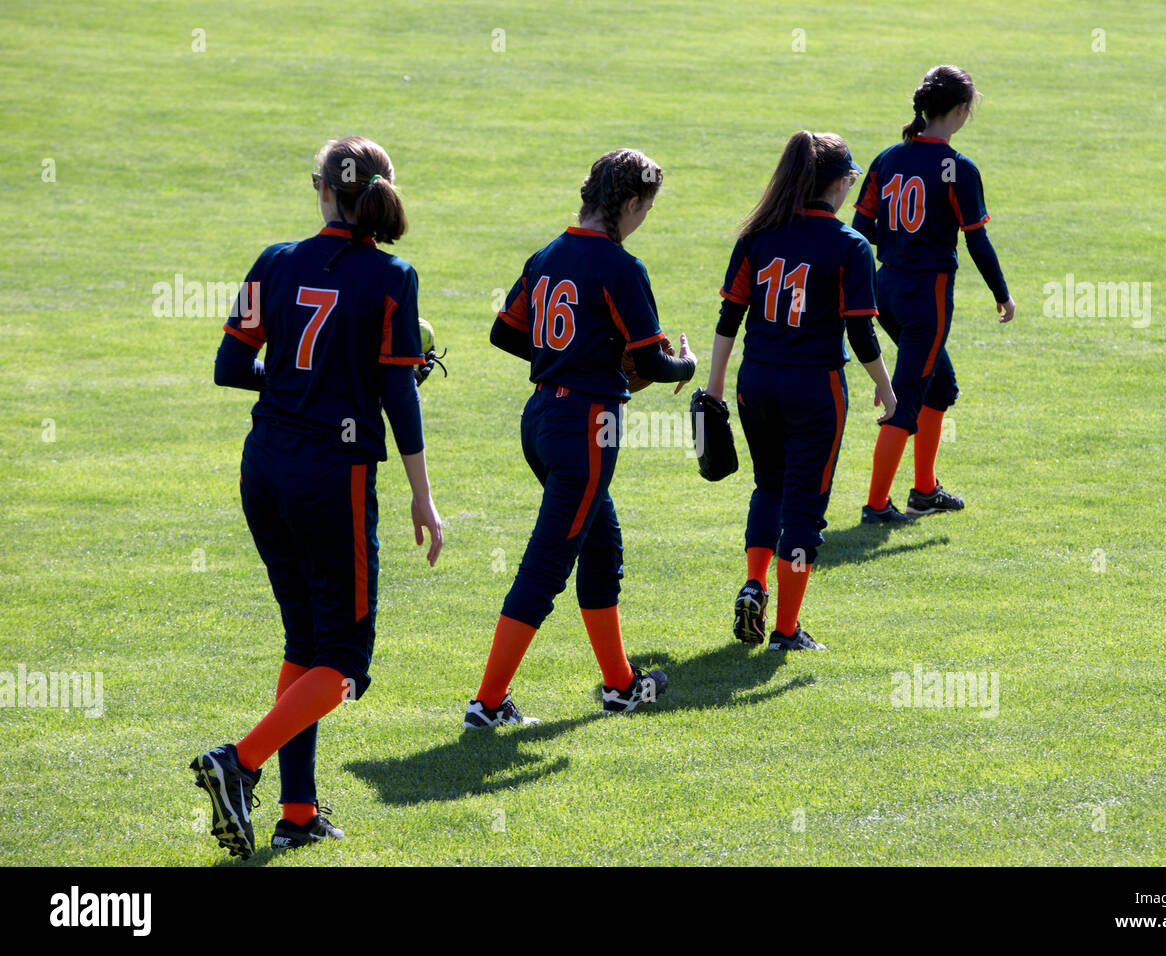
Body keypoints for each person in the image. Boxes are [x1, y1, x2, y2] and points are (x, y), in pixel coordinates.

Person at [191, 136, 444, 858]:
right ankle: (238, 764)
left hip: (264, 466)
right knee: (344, 664)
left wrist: (306, 388)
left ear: (323, 192)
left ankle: (296, 811)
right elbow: (398, 394)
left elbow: (230, 365)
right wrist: (422, 498)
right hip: (333, 478)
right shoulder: (394, 275)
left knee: (305, 639)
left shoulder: (274, 261)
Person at [467, 148, 696, 727]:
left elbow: (505, 332)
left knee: (602, 547)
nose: (645, 217)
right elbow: (653, 361)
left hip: (541, 421)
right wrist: (686, 366)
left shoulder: (547, 254)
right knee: (545, 568)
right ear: (627, 203)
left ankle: (621, 685)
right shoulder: (622, 267)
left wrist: (566, 358)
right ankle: (487, 704)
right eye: (645, 207)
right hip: (586, 430)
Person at [706, 131, 896, 650]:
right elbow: (860, 333)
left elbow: (729, 317)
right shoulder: (850, 246)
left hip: (756, 384)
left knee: (769, 486)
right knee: (805, 510)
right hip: (815, 390)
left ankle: (754, 583)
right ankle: (786, 630)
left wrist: (715, 386)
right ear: (836, 184)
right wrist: (887, 387)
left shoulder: (759, 235)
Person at [852, 65, 1015, 523]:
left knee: (939, 386)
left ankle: (924, 490)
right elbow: (976, 240)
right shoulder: (958, 168)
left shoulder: (888, 158)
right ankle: (876, 504)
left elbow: (859, 235)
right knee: (906, 399)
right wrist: (1002, 294)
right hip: (928, 298)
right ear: (961, 110)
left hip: (885, 290)